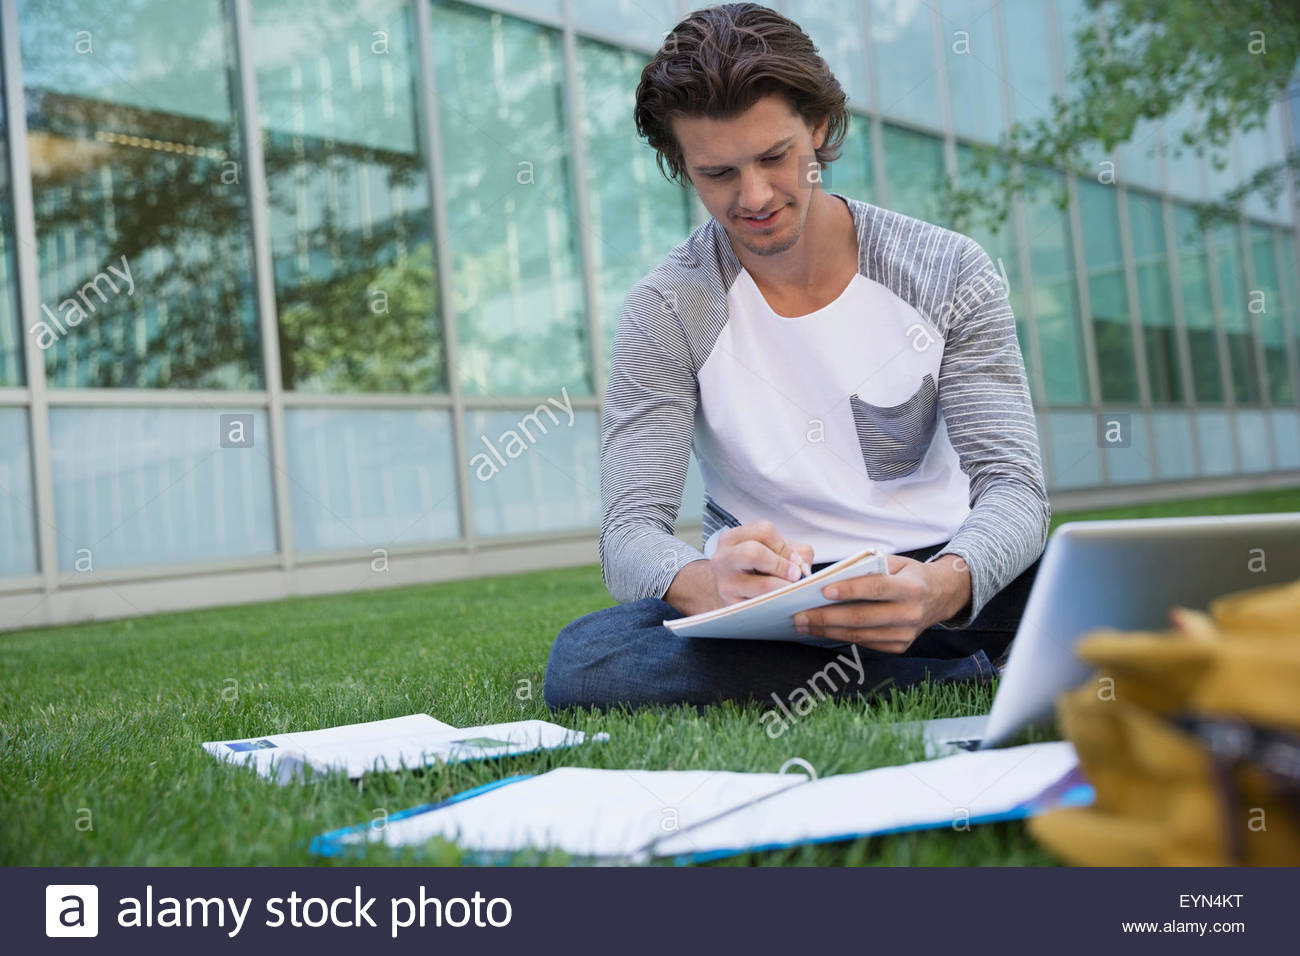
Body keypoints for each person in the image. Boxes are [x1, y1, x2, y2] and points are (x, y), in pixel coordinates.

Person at [544, 3, 1048, 711]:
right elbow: (630, 534)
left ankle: (939, 656)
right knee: (587, 660)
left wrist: (943, 586)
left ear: (818, 127)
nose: (753, 198)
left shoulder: (949, 271)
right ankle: (963, 677)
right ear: (682, 165)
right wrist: (706, 583)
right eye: (718, 173)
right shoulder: (668, 307)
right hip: (774, 609)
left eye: (774, 158)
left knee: (1107, 589)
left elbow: (1016, 490)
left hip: (939, 576)